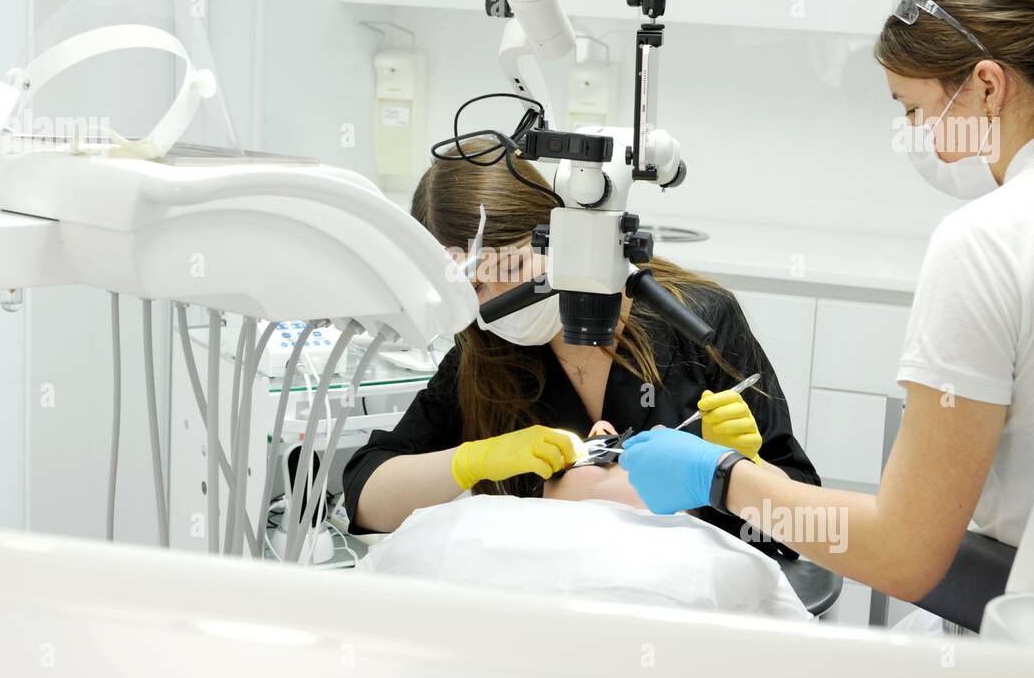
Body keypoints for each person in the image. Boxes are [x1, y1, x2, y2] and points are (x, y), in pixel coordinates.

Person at [620, 0, 1034, 608]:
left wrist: (719, 476)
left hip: (1027, 643)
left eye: (912, 110)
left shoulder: (988, 241)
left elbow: (902, 553)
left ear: (988, 87)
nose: (914, 138)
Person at [341, 144, 819, 549]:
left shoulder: (699, 322)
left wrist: (733, 475)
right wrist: (470, 461)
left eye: (510, 270)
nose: (494, 302)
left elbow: (805, 524)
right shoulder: (481, 352)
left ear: (561, 237)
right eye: (470, 288)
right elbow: (365, 498)